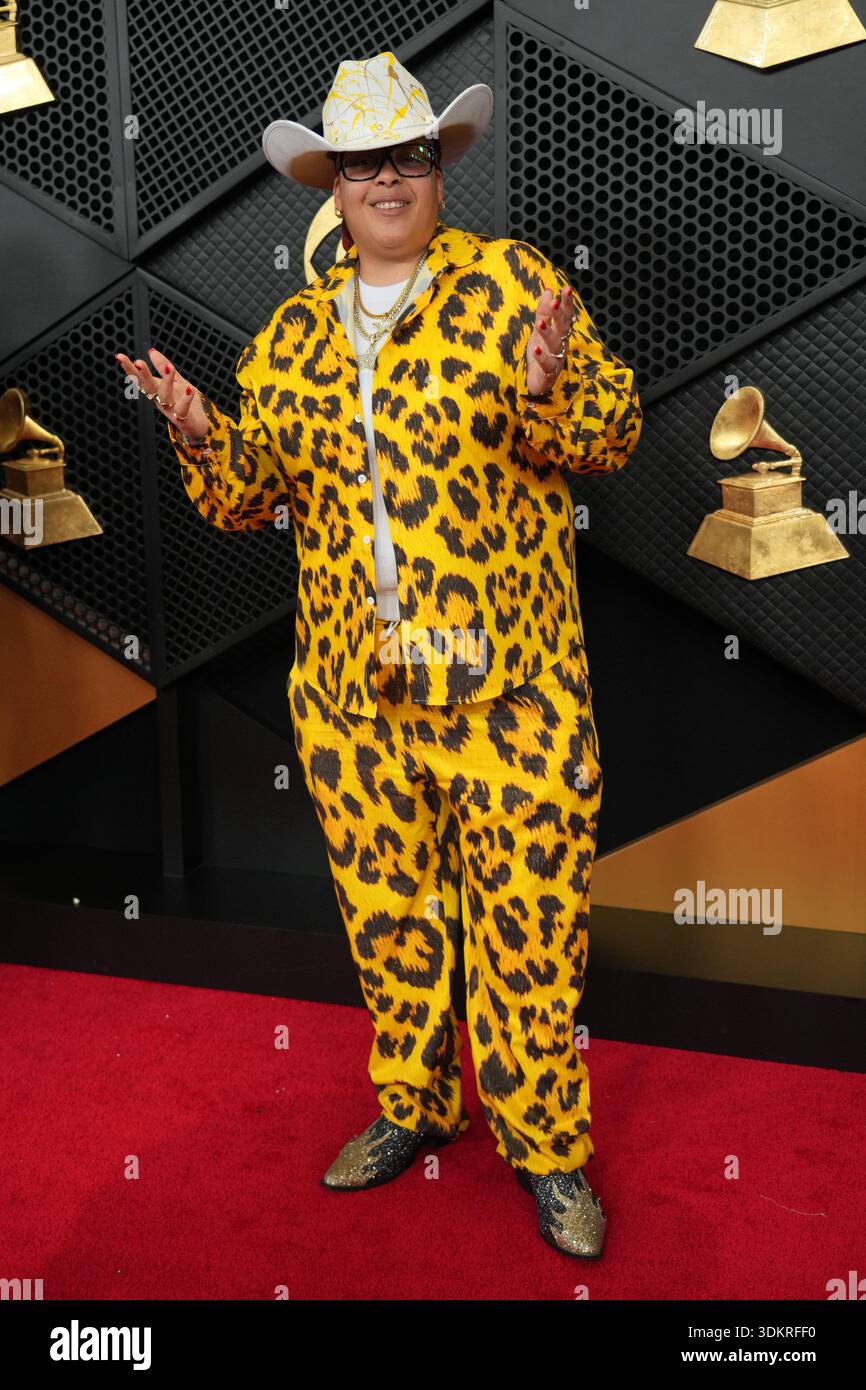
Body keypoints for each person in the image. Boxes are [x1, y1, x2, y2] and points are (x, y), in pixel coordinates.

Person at [114, 50, 642, 1260]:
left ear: (436, 170)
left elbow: (612, 432)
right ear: (332, 186)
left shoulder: (514, 287)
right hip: (355, 702)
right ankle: (413, 1106)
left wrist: (556, 385)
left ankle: (548, 1148)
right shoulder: (291, 337)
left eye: (408, 155)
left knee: (526, 928)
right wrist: (202, 434)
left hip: (507, 692)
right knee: (390, 919)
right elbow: (253, 497)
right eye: (363, 162)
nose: (387, 178)